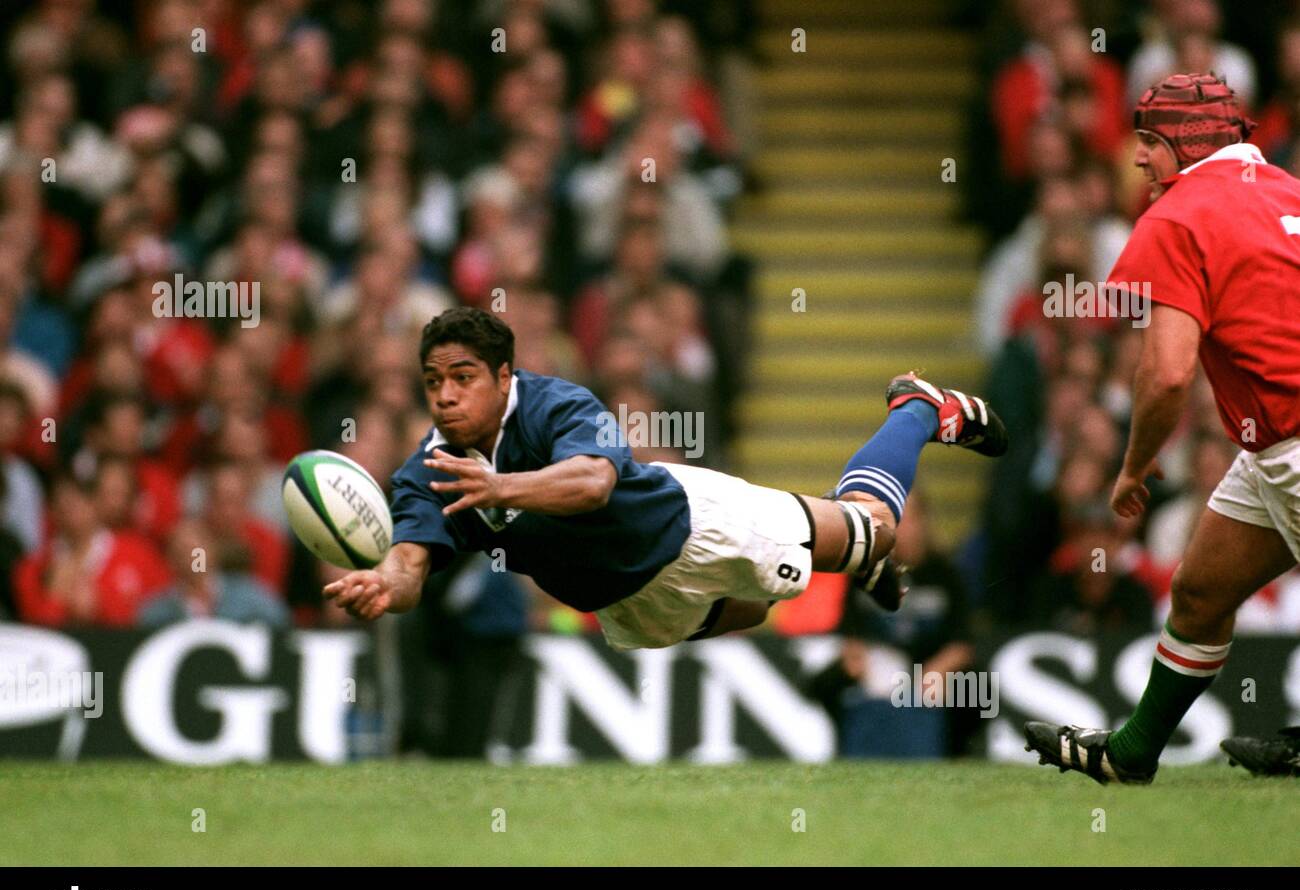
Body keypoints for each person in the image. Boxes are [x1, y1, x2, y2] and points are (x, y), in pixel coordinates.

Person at [324, 307, 1008, 651]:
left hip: (691, 527)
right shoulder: (428, 474)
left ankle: (917, 406)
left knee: (877, 532)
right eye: (433, 382)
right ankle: (842, 556)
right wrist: (382, 585)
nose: (444, 396)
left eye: (462, 378)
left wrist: (501, 488)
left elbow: (593, 483)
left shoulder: (554, 403)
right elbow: (412, 562)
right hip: (630, 610)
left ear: (505, 378)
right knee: (753, 607)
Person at [1024, 73, 1300, 784]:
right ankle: (1132, 754)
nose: (1138, 158)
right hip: (1271, 442)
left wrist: (1133, 465)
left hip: (1292, 438)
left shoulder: (1178, 216)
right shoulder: (1287, 189)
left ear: (1185, 141)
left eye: (1148, 141)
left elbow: (1168, 372)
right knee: (1202, 591)